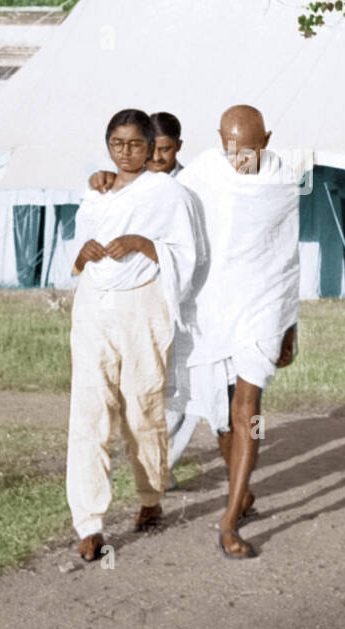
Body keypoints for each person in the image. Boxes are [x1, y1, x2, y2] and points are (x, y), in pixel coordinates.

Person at [67, 109, 202, 562]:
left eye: (135, 145)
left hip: (142, 304)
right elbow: (78, 243)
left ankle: (149, 496)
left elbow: (192, 255)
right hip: (93, 306)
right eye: (117, 143)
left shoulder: (169, 193)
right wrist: (81, 253)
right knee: (90, 409)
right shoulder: (96, 192)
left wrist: (144, 244)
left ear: (151, 148)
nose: (125, 152)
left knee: (142, 405)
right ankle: (89, 523)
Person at [177, 105, 300, 559]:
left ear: (266, 140)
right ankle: (241, 492)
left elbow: (287, 258)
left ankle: (229, 521)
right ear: (217, 140)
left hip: (264, 306)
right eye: (229, 148)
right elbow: (166, 214)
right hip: (213, 306)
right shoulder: (201, 175)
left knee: (247, 407)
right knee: (222, 414)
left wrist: (290, 323)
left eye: (246, 150)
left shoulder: (285, 182)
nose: (237, 159)